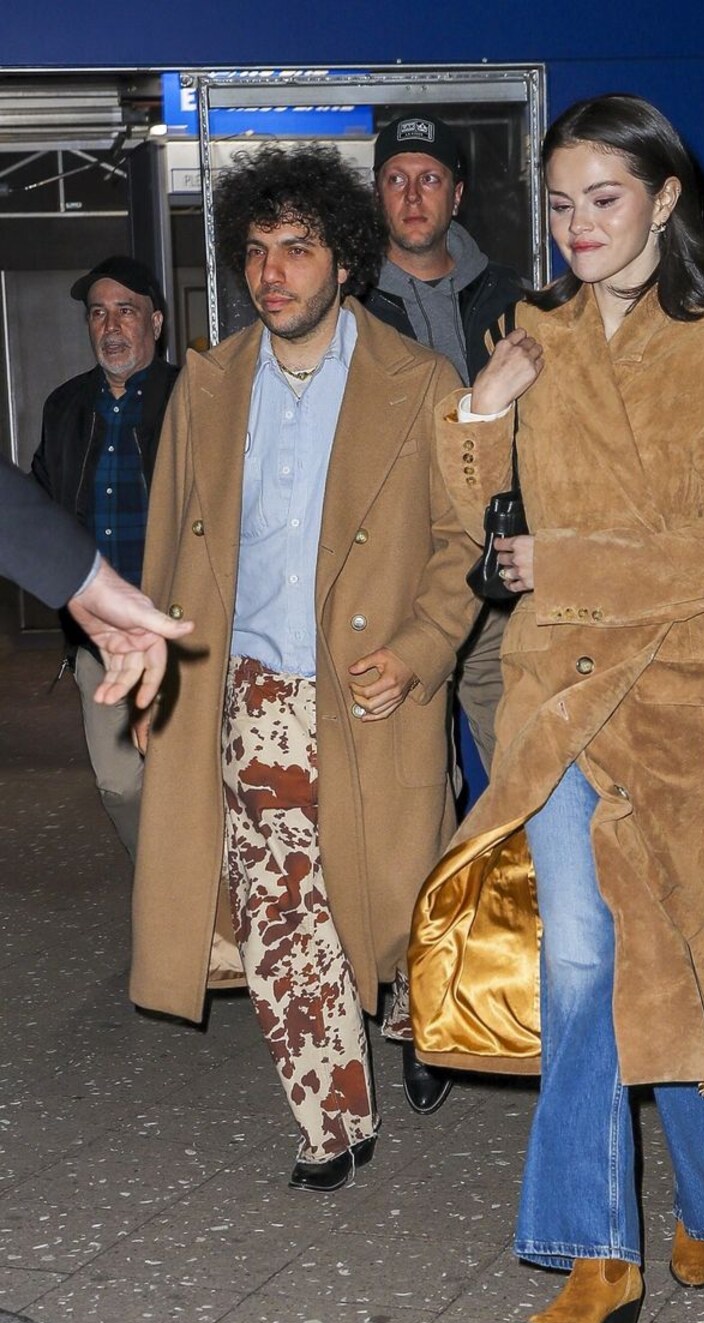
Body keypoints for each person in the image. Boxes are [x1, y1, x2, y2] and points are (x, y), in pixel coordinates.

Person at [410, 93, 704, 1323]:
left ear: (666, 199)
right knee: (579, 964)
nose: (577, 226)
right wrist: (481, 410)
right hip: (562, 702)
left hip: (682, 707)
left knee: (694, 960)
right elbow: (475, 519)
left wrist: (558, 560)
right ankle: (593, 1248)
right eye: (561, 203)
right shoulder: (531, 335)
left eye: (605, 199)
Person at [129, 143, 478, 1193]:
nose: (270, 271)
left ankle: (421, 1017)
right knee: (282, 905)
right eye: (254, 249)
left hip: (369, 689)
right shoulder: (208, 381)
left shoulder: (420, 383)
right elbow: (166, 538)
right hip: (252, 690)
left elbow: (465, 546)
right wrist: (155, 661)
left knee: (388, 897)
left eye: (296, 246)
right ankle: (333, 1114)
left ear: (344, 257)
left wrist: (418, 653)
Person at [365, 110, 525, 1114]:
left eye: (431, 177)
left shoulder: (512, 301)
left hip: (498, 590)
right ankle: (419, 1006)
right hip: (399, 593)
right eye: (397, 177)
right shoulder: (348, 304)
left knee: (513, 783)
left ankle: (505, 981)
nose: (415, 193)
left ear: (457, 194)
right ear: (378, 195)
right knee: (411, 803)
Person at [30, 256, 179, 856]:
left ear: (156, 322)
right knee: (120, 786)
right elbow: (41, 503)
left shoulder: (193, 398)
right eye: (98, 313)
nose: (111, 326)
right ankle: (162, 892)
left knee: (189, 782)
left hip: (180, 626)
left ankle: (194, 917)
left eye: (126, 310)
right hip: (100, 636)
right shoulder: (65, 406)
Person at [2, 454, 192, 706]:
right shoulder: (65, 415)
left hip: (131, 611)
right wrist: (86, 578)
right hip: (93, 635)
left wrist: (87, 580)